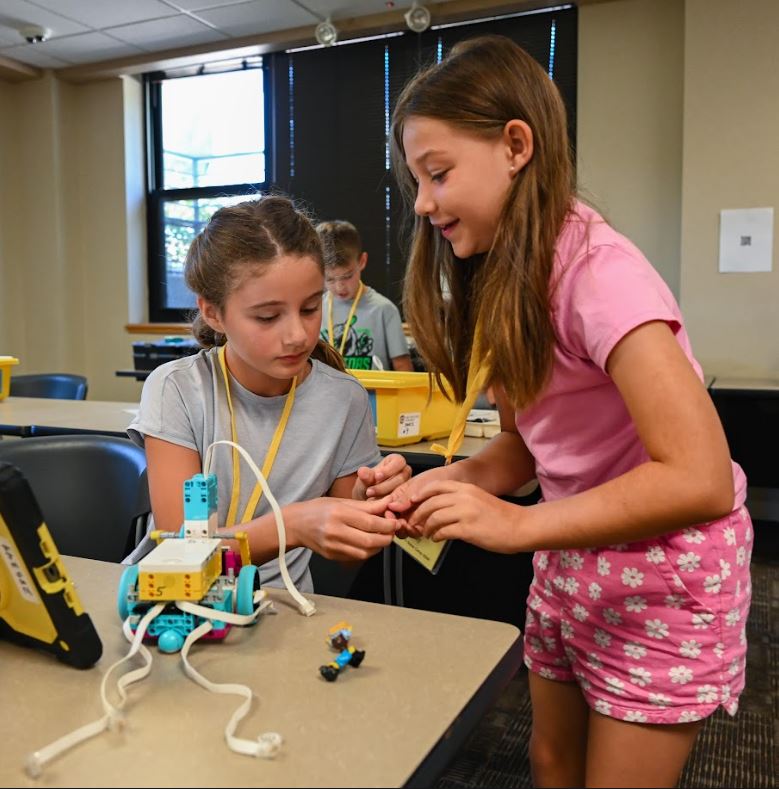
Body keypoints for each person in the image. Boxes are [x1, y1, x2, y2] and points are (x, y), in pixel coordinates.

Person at [386, 35, 752, 788]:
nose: (422, 203)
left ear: (515, 145)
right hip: (572, 554)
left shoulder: (600, 274)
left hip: (663, 572)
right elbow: (525, 448)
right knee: (549, 757)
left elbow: (700, 477)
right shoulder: (505, 273)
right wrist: (455, 483)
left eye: (437, 173)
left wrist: (518, 525)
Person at [128, 196, 410, 593]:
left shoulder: (344, 399)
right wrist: (292, 525)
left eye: (311, 308)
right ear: (213, 313)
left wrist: (371, 497)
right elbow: (181, 552)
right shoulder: (176, 388)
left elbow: (350, 554)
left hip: (281, 611)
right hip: (170, 601)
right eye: (267, 316)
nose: (297, 335)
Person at [316, 220, 413, 371]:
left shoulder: (384, 310)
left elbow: (403, 367)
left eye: (347, 276)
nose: (339, 286)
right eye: (329, 279)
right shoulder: (316, 309)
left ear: (362, 261)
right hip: (330, 392)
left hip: (373, 393)